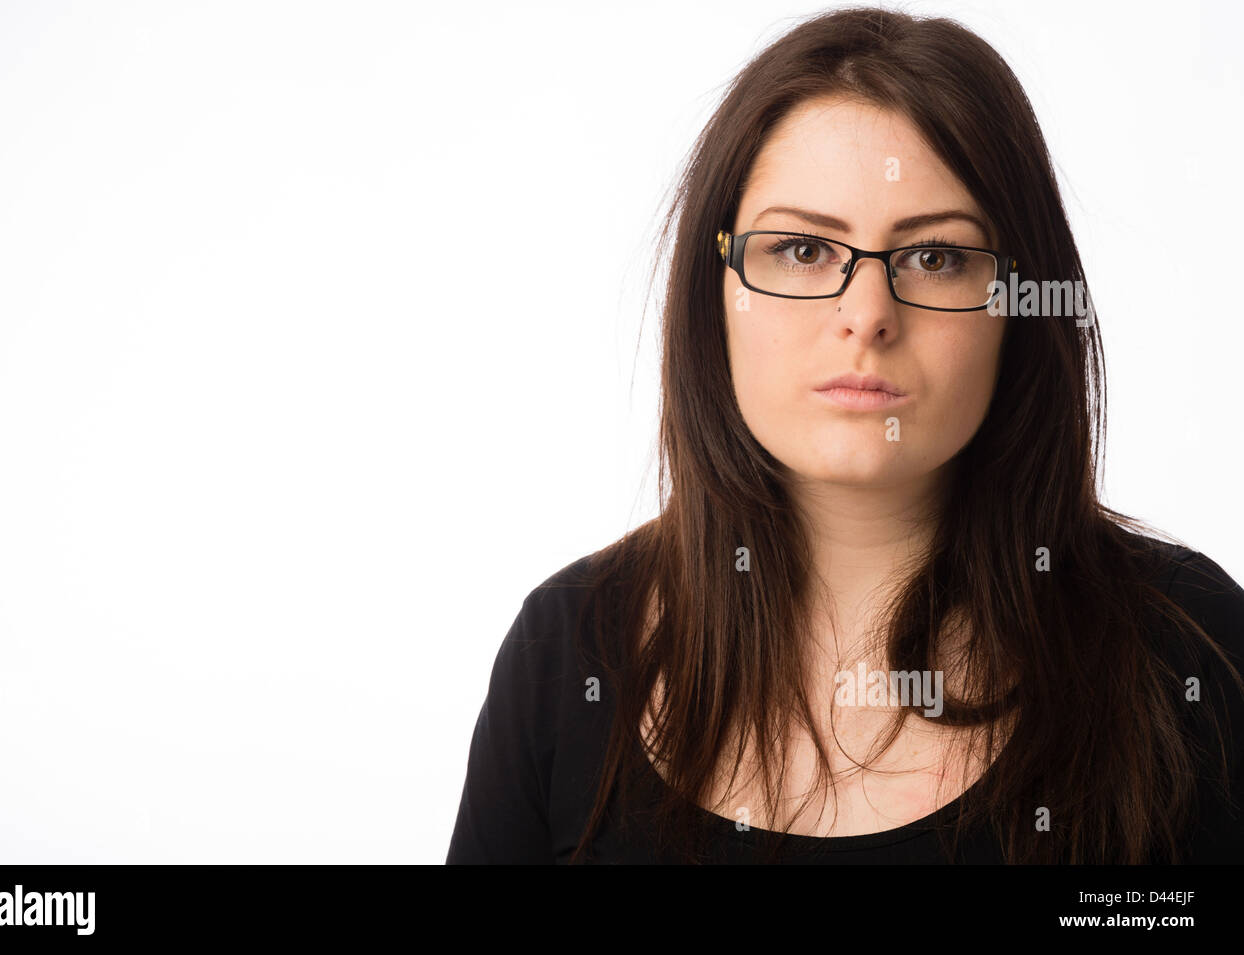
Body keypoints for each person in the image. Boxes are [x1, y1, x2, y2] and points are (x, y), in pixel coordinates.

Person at [446, 6, 1244, 864]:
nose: (867, 315)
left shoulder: (1187, 652)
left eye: (935, 257)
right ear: (715, 293)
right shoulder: (564, 655)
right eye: (802, 250)